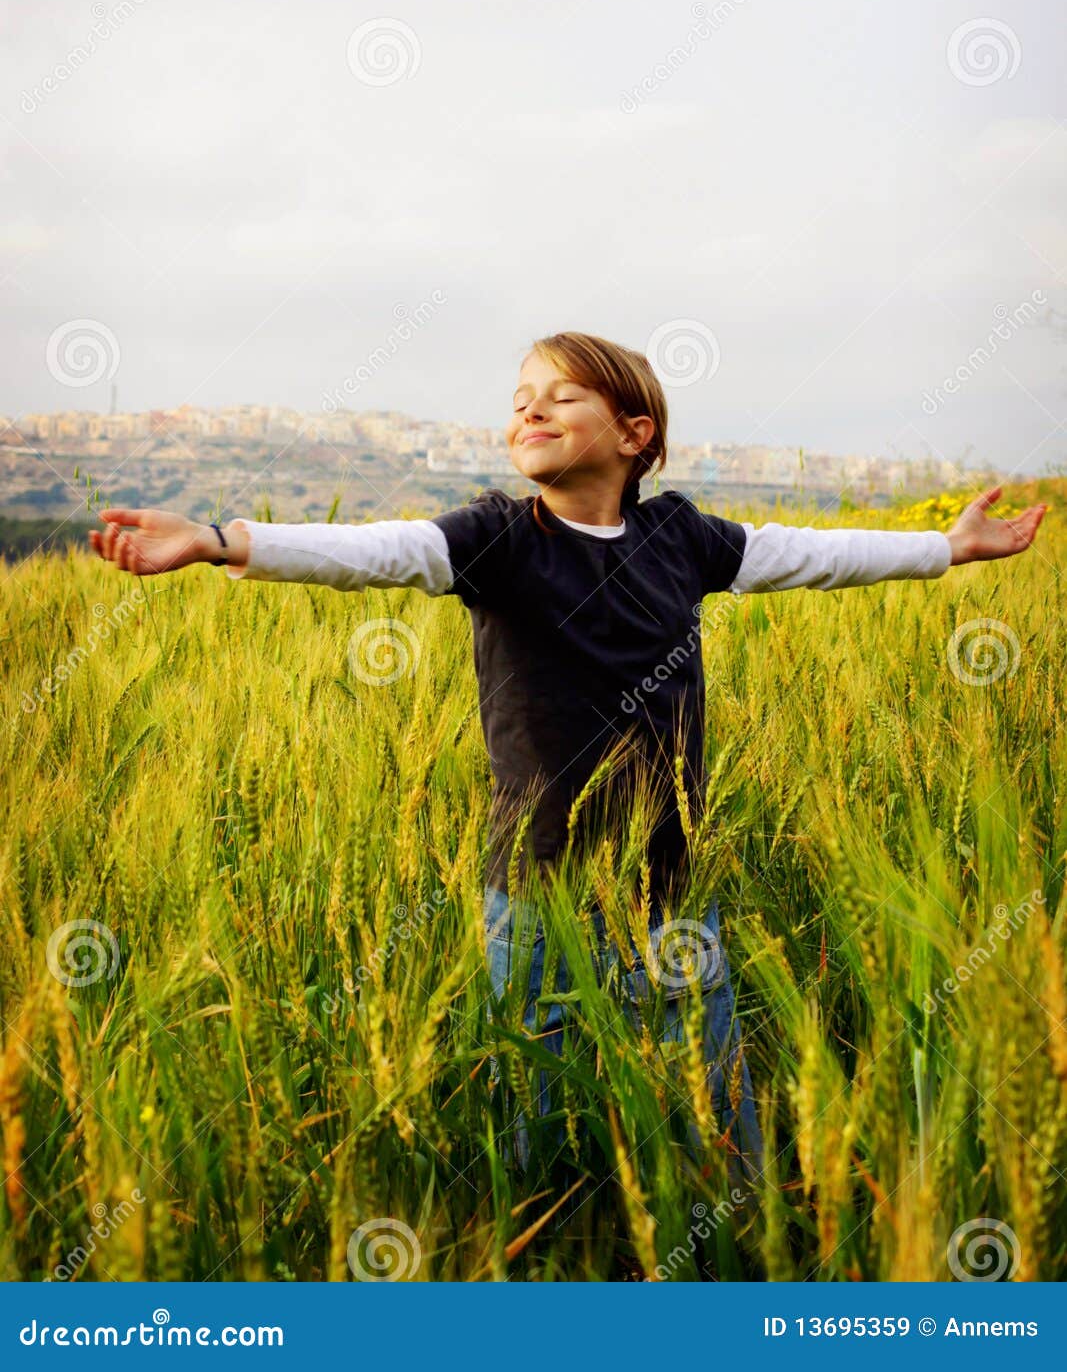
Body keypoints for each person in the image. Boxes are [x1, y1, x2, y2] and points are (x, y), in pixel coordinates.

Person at [89, 330, 1049, 1195]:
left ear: (635, 435)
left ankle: (719, 1262)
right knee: (539, 1128)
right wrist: (217, 542)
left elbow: (804, 553)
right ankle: (555, 1260)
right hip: (538, 893)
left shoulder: (680, 537)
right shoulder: (497, 538)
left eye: (560, 395)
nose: (528, 409)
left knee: (713, 1124)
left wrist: (945, 547)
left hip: (671, 888)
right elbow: (374, 550)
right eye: (518, 397)